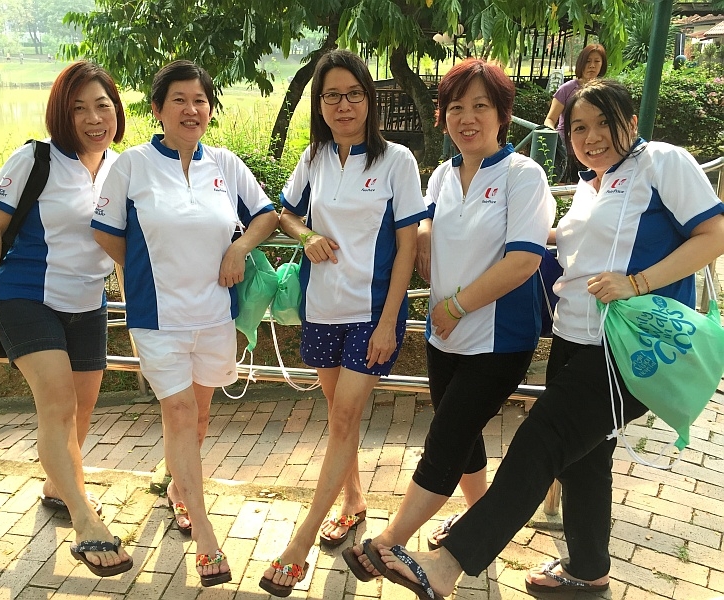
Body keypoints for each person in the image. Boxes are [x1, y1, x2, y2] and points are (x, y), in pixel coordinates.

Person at [363, 79, 724, 599]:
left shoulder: (661, 162)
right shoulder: (589, 186)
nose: (592, 136)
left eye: (604, 122)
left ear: (631, 122)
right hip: (576, 340)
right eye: (579, 127)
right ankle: (588, 569)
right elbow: (559, 241)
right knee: (584, 459)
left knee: (539, 442)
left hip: (630, 350)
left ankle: (449, 563)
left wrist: (637, 282)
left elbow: (712, 234)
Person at [344, 58, 555, 581]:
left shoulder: (523, 175)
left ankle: (390, 544)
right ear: (443, 116)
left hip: (498, 338)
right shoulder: (440, 174)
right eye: (456, 107)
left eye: (481, 106)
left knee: (446, 434)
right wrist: (418, 242)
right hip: (445, 337)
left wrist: (457, 305)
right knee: (463, 434)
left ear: (502, 114)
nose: (468, 117)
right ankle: (480, 517)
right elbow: (425, 230)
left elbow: (524, 259)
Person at [91, 60, 278, 588]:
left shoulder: (225, 163)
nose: (191, 109)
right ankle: (206, 537)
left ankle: (178, 490)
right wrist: (149, 269)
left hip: (215, 313)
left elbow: (265, 213)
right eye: (179, 100)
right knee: (177, 413)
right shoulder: (132, 165)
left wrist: (241, 246)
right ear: (157, 109)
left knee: (197, 417)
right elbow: (105, 232)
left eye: (200, 100)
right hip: (158, 318)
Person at [259, 49, 427, 597]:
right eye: (331, 95)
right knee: (339, 418)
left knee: (343, 418)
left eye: (353, 93)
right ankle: (353, 502)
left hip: (372, 314)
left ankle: (300, 546)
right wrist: (305, 235)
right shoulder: (315, 157)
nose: (343, 104)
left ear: (368, 99)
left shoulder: (397, 161)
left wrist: (389, 321)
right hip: (322, 308)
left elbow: (407, 248)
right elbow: (283, 211)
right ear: (321, 104)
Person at [0, 61, 131, 577]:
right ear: (62, 114)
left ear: (116, 110)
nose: (92, 117)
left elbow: (128, 247)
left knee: (81, 409)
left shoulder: (121, 167)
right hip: (25, 296)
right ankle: (86, 521)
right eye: (78, 108)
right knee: (58, 402)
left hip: (88, 302)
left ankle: (57, 485)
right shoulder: (33, 159)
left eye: (101, 105)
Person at [544, 43, 607, 181]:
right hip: (566, 151)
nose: (592, 65)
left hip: (594, 149)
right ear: (581, 63)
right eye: (588, 61)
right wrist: (553, 137)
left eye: (597, 61)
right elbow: (550, 119)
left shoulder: (605, 92)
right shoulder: (566, 89)